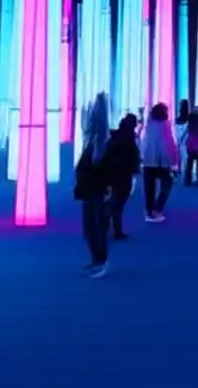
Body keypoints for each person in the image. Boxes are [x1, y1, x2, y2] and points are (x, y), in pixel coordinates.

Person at [74, 99, 115, 278]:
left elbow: (101, 167)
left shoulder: (101, 143)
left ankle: (100, 260)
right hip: (91, 188)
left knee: (97, 226)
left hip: (97, 188)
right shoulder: (93, 141)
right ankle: (97, 259)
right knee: (90, 226)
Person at [103, 113, 141, 240]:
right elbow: (133, 158)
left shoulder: (114, 138)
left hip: (112, 173)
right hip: (124, 174)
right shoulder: (129, 140)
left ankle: (107, 226)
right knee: (118, 203)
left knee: (114, 200)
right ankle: (115, 229)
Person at [141, 103, 180, 222]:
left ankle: (149, 212)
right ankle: (157, 209)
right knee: (167, 184)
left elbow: (144, 143)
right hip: (162, 163)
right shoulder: (165, 127)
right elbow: (169, 146)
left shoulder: (148, 126)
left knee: (149, 189)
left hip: (148, 162)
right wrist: (174, 161)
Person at [180, 110, 198, 187]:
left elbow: (184, 134)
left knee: (189, 163)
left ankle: (188, 179)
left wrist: (181, 141)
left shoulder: (190, 126)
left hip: (190, 145)